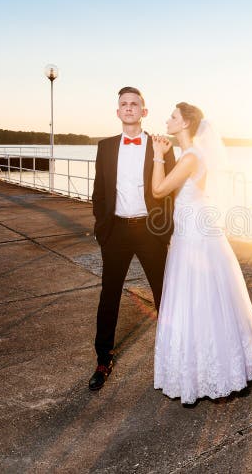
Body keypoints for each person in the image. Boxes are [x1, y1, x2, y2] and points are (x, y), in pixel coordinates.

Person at [150, 102, 252, 405]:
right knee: (201, 299)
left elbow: (158, 191)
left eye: (173, 117)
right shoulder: (189, 154)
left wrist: (157, 155)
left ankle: (211, 371)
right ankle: (202, 368)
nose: (167, 120)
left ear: (184, 124)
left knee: (198, 300)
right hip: (190, 233)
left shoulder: (192, 156)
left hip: (195, 238)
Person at [88, 86, 176, 391]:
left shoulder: (161, 145)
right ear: (117, 112)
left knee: (166, 295)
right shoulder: (105, 147)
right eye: (123, 104)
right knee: (109, 296)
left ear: (144, 111)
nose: (129, 108)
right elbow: (99, 193)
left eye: (134, 104)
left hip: (151, 232)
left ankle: (175, 358)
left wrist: (165, 230)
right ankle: (103, 359)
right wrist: (103, 229)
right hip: (116, 232)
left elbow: (171, 192)